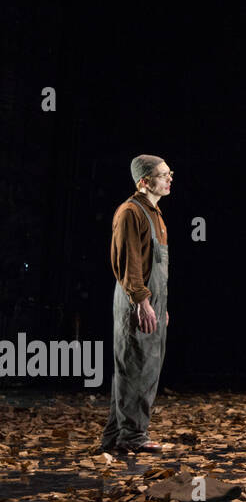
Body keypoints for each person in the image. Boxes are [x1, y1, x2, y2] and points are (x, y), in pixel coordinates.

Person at [100, 154, 174, 454]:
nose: (170, 178)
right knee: (134, 367)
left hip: (151, 300)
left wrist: (161, 304)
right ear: (144, 181)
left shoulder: (155, 213)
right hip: (136, 300)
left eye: (170, 173)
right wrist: (142, 303)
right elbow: (128, 263)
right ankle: (132, 436)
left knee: (147, 367)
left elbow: (155, 265)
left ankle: (116, 437)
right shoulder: (131, 212)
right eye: (163, 174)